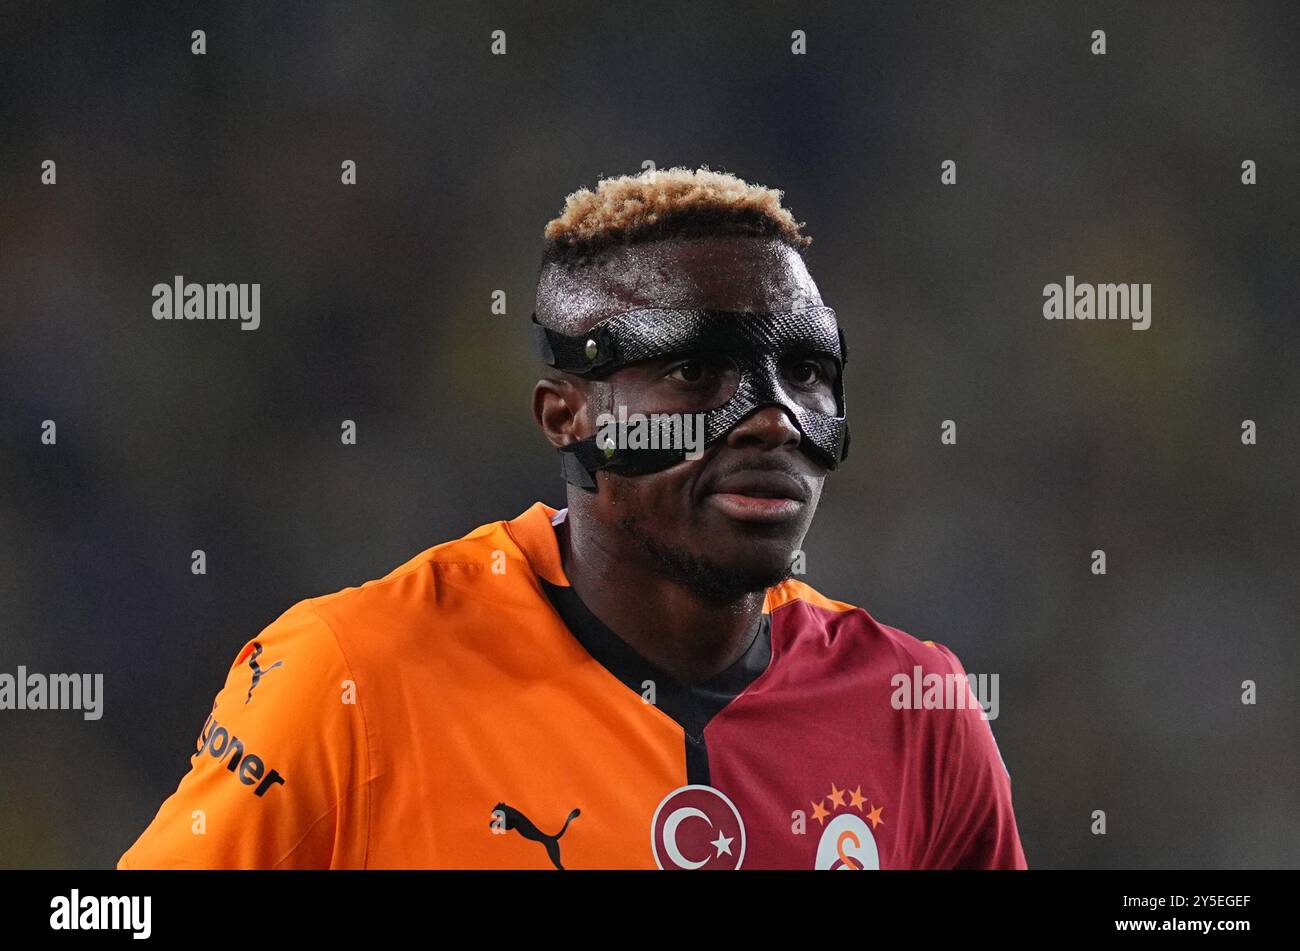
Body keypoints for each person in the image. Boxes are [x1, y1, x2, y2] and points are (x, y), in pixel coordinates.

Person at [119, 166, 1026, 869]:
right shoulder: (350, 675)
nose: (771, 417)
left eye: (805, 372)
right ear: (567, 413)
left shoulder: (919, 710)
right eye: (696, 373)